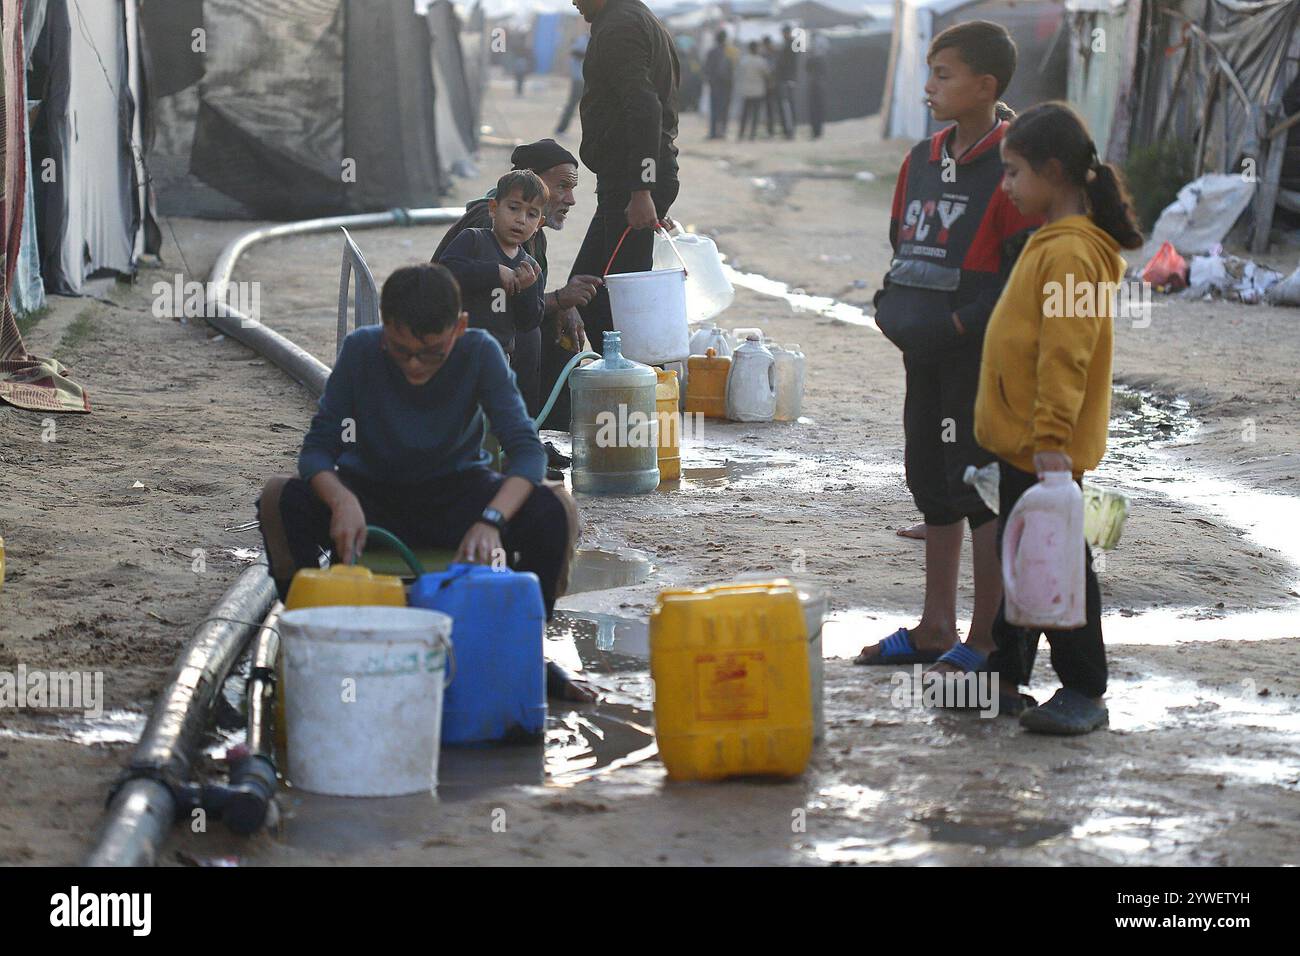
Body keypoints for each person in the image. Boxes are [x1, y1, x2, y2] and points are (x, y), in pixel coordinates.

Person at [256, 263, 593, 700]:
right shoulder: (361, 350)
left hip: (458, 495)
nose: (414, 365)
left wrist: (491, 519)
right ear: (384, 330)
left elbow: (527, 452)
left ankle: (525, 651)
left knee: (555, 509)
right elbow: (317, 450)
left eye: (431, 353)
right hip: (371, 497)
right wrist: (339, 499)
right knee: (279, 498)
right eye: (400, 351)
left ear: (460, 327)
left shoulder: (479, 351)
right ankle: (314, 640)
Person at [855, 22, 1037, 676]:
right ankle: (935, 625)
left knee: (976, 485)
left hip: (979, 354)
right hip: (923, 344)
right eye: (929, 72)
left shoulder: (1015, 163)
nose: (929, 86)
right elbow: (905, 244)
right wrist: (899, 311)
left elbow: (1023, 278)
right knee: (929, 478)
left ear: (986, 86)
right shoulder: (922, 158)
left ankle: (986, 640)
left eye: (944, 74)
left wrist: (962, 327)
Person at [976, 102, 1142, 732]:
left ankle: (1083, 689)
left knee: (1063, 561)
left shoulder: (1073, 253)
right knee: (1023, 556)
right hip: (1023, 443)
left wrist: (1050, 441)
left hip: (1044, 447)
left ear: (1053, 172)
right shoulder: (1051, 242)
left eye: (1014, 172)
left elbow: (1065, 355)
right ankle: (1005, 677)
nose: (1007, 186)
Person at [432, 139, 601, 459]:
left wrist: (560, 303)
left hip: (492, 330)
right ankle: (514, 442)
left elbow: (526, 307)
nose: (571, 199)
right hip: (455, 330)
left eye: (572, 188)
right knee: (529, 337)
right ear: (531, 179)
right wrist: (556, 299)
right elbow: (450, 279)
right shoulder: (487, 224)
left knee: (555, 334)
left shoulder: (531, 236)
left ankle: (525, 437)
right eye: (562, 186)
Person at [559, 0, 680, 395]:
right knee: (591, 293)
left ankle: (642, 400)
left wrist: (642, 190)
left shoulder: (620, 26)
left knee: (616, 305)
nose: (573, 1)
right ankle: (635, 393)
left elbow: (645, 106)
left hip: (632, 186)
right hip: (627, 184)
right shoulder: (632, 17)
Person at [437, 170, 547, 378]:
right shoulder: (473, 240)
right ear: (494, 209)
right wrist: (493, 272)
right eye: (513, 208)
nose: (521, 220)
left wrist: (527, 290)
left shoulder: (530, 268)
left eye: (531, 214)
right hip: (456, 348)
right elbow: (445, 273)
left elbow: (529, 322)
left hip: (497, 356)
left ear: (539, 224)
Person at [555, 32, 589, 135]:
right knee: (572, 104)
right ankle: (561, 129)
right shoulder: (583, 39)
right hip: (579, 79)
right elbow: (574, 52)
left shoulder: (591, 38)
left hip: (587, 79)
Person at [703, 29, 734, 140]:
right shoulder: (730, 51)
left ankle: (713, 132)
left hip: (715, 85)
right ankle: (723, 132)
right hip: (727, 85)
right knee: (724, 109)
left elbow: (706, 69)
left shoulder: (712, 52)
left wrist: (709, 81)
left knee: (714, 109)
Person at [736, 41, 768, 141]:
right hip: (758, 91)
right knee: (755, 114)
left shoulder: (744, 61)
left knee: (745, 114)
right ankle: (752, 134)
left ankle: (741, 134)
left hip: (746, 90)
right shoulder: (761, 61)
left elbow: (739, 73)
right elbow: (767, 74)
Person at [773, 24, 797, 139]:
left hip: (786, 79)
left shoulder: (791, 45)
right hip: (786, 79)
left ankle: (789, 131)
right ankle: (788, 130)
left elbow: (788, 64)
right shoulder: (788, 44)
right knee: (786, 105)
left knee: (786, 105)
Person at [807, 31, 829, 140]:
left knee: (815, 109)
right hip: (818, 85)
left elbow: (807, 68)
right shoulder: (821, 59)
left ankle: (816, 132)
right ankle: (817, 132)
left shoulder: (815, 59)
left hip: (816, 85)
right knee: (817, 109)